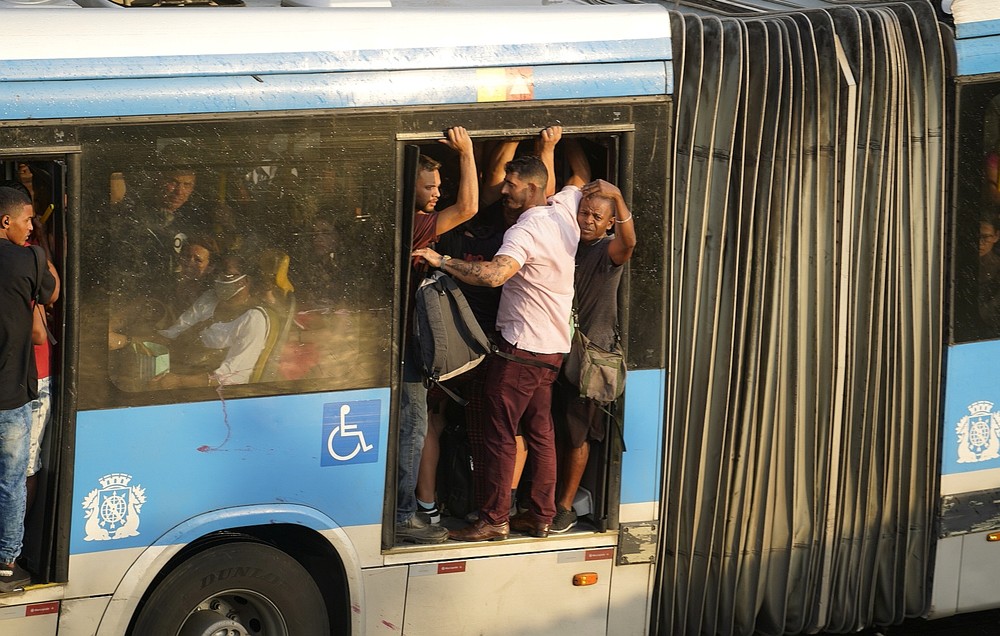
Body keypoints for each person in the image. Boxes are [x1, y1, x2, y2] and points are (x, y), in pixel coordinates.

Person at [413, 154, 583, 541]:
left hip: (520, 350)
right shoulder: (564, 209)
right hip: (553, 350)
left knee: (499, 435)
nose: (503, 190)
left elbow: (493, 275)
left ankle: (493, 519)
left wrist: (441, 260)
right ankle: (540, 515)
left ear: (534, 188)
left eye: (512, 184)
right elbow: (584, 183)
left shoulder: (525, 230)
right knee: (541, 433)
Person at [397, 126, 478, 544]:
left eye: (438, 186)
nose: (436, 193)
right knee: (413, 427)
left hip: (397, 342)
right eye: (429, 186)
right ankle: (403, 515)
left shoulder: (404, 219)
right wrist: (466, 152)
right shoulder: (415, 224)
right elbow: (468, 206)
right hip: (407, 349)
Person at [551, 179, 636, 533]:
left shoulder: (608, 252)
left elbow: (629, 243)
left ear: (609, 223)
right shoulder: (566, 243)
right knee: (549, 430)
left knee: (577, 435)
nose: (587, 220)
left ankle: (564, 507)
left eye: (596, 216)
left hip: (588, 361)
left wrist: (617, 195)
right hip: (555, 350)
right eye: (584, 213)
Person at [0, 186, 56, 593]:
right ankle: (6, 561)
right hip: (10, 396)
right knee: (12, 480)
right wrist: (42, 248)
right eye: (26, 220)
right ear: (6, 221)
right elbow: (52, 293)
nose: (30, 226)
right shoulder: (30, 259)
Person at [153, 255, 271, 388]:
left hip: (212, 389)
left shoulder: (254, 319)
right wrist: (138, 342)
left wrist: (180, 381)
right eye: (218, 273)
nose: (219, 279)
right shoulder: (209, 298)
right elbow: (174, 332)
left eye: (226, 274)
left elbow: (234, 375)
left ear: (245, 280)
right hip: (181, 369)